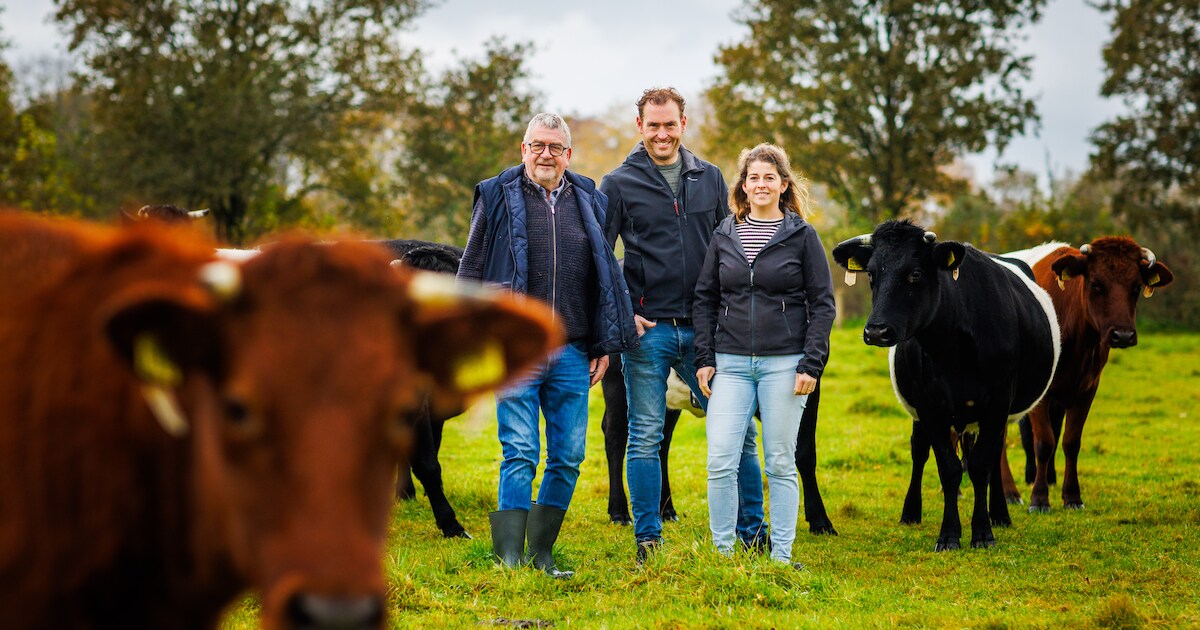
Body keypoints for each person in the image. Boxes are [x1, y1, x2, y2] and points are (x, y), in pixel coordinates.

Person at [458, 113, 638, 578]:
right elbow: (472, 266)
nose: (546, 154)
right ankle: (510, 557)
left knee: (569, 456)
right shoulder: (496, 195)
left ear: (568, 155)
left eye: (555, 147)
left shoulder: (589, 198)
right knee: (520, 450)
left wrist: (603, 343)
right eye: (537, 145)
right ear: (523, 150)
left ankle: (541, 552)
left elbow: (603, 274)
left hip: (573, 350)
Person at [601, 87, 768, 564]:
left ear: (683, 123)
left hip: (708, 330)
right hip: (648, 331)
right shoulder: (617, 184)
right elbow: (602, 253)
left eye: (669, 124)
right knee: (646, 435)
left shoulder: (712, 179)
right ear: (640, 127)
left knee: (739, 431)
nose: (661, 133)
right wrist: (623, 307)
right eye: (652, 125)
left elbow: (731, 248)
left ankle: (752, 534)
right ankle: (647, 540)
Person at [693, 143, 835, 568]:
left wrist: (811, 363)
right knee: (720, 458)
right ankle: (723, 555)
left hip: (784, 365)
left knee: (779, 462)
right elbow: (705, 297)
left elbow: (822, 302)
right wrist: (704, 357)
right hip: (731, 364)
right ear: (743, 185)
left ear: (783, 184)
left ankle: (782, 558)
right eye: (753, 177)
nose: (760, 184)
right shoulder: (724, 233)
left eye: (769, 177)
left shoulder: (803, 235)